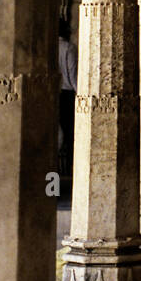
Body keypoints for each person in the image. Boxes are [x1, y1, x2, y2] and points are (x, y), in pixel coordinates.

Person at [58, 19, 78, 176]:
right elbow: (73, 74)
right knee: (70, 135)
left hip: (50, 95)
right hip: (67, 94)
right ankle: (71, 173)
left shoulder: (46, 46)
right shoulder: (68, 48)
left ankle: (53, 186)